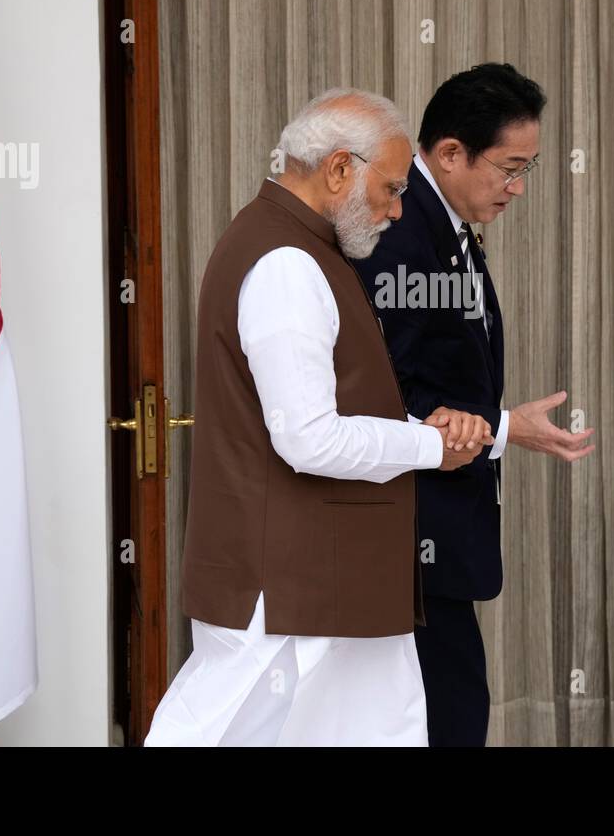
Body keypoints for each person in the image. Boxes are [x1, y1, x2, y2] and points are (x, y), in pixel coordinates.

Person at [145, 88, 494, 746]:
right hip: (287, 589)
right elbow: (308, 439)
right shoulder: (286, 264)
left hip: (319, 584)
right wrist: (429, 446)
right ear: (338, 169)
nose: (397, 210)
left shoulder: (294, 247)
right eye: (390, 189)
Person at [354, 63, 596, 747]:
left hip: (437, 520)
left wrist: (498, 425)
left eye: (529, 169)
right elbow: (379, 390)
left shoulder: (444, 222)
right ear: (451, 152)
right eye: (508, 168)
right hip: (406, 523)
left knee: (450, 708)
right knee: (445, 715)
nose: (518, 189)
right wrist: (497, 430)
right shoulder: (404, 233)